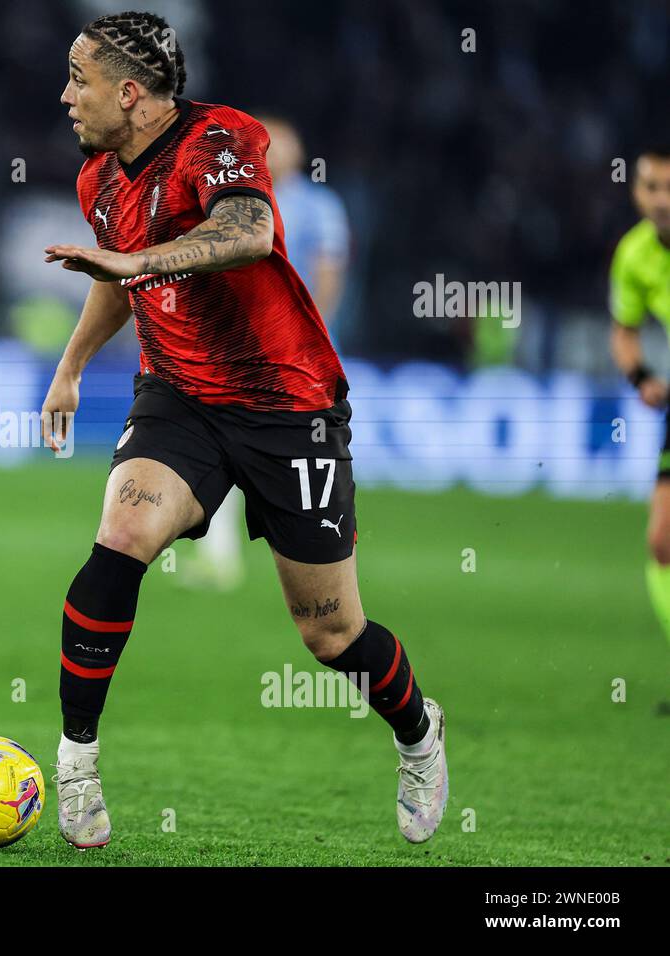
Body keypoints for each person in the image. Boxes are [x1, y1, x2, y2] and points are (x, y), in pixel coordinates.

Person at [42, 12, 447, 848]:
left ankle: (418, 733)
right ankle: (75, 757)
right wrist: (73, 364)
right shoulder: (98, 177)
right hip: (178, 398)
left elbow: (248, 233)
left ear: (129, 91)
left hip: (286, 406)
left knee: (330, 633)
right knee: (122, 532)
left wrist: (138, 262)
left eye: (79, 79)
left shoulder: (219, 137)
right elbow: (116, 279)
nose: (66, 94)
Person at [184, 114, 353, 591]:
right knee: (220, 443)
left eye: (278, 143)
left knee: (298, 461)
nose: (268, 151)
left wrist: (307, 329)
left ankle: (320, 554)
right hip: (238, 349)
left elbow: (328, 270)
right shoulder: (234, 198)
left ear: (297, 152)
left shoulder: (319, 205)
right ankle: (218, 557)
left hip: (298, 357)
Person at [608, 145, 670, 709]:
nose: (663, 200)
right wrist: (642, 375)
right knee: (662, 541)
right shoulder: (634, 254)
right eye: (652, 187)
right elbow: (624, 330)